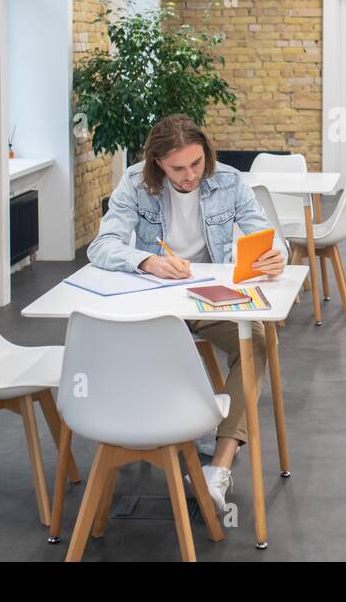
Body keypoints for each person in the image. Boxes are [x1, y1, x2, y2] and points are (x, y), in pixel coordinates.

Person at [87, 114, 287, 512]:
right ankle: (157, 434)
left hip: (207, 300)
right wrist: (147, 261)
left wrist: (274, 255)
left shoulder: (228, 181)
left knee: (260, 340)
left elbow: (266, 234)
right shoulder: (134, 183)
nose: (190, 175)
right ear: (157, 163)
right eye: (178, 168)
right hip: (154, 304)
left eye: (196, 164)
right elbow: (102, 245)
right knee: (144, 353)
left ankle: (220, 466)